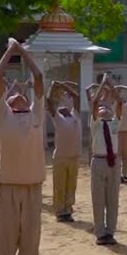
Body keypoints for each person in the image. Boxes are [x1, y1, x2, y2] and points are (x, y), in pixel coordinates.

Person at [0, 39, 47, 255]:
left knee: (29, 243)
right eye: (14, 96)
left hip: (33, 187)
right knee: (5, 242)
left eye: (22, 95)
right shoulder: (4, 116)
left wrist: (25, 51)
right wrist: (9, 50)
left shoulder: (37, 115)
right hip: (8, 187)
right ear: (9, 103)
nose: (19, 96)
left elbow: (38, 77)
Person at [88, 77, 123, 246]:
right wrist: (102, 83)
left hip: (114, 161)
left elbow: (120, 102)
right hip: (99, 161)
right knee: (98, 199)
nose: (104, 108)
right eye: (102, 108)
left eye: (106, 107)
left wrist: (111, 85)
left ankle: (110, 232)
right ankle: (100, 233)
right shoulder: (96, 123)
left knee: (112, 199)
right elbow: (95, 103)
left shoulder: (115, 122)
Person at [48, 81, 81, 222]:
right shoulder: (58, 119)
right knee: (60, 185)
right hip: (61, 157)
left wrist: (63, 85)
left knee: (71, 185)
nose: (64, 108)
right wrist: (53, 87)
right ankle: (60, 211)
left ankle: (68, 210)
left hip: (74, 157)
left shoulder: (76, 116)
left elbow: (76, 96)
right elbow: (49, 102)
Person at [112, 83, 127, 183]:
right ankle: (117, 174)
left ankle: (124, 175)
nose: (120, 98)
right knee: (117, 155)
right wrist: (117, 89)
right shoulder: (114, 105)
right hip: (118, 133)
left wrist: (122, 87)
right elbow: (113, 94)